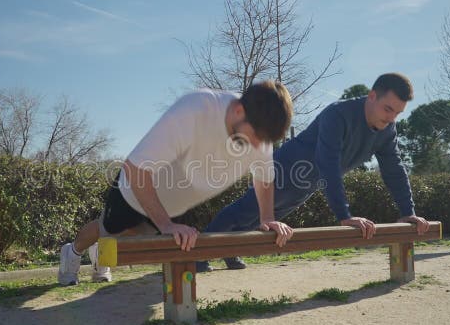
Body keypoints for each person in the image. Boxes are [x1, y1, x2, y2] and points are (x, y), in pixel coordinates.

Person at [58, 81, 295, 286]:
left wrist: (267, 219)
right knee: (107, 230)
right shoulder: (195, 109)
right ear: (239, 111)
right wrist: (167, 225)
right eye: (254, 138)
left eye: (263, 141)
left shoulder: (260, 130)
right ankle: (73, 252)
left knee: (129, 239)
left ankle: (101, 255)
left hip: (171, 204)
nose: (257, 147)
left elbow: (264, 176)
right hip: (134, 188)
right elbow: (136, 169)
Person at [197, 72, 430, 272]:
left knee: (263, 218)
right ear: (371, 96)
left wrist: (408, 211)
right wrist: (344, 215)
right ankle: (199, 254)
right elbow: (328, 161)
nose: (390, 118)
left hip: (310, 182)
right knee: (245, 210)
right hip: (286, 169)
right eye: (387, 109)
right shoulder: (337, 114)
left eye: (397, 114)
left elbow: (394, 169)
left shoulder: (387, 130)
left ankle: (230, 249)